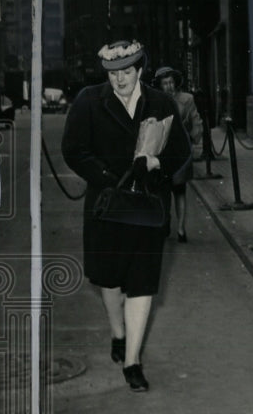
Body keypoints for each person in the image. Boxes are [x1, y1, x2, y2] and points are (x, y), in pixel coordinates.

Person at [62, 41, 191, 392]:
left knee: (142, 282)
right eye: (114, 74)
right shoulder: (89, 100)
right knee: (109, 279)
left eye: (127, 73)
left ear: (140, 70)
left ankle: (132, 360)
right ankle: (118, 332)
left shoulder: (160, 103)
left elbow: (181, 150)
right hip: (107, 205)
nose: (120, 80)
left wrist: (155, 165)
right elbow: (72, 150)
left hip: (148, 207)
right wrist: (107, 178)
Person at [153, 66, 203, 243]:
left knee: (180, 190)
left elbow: (196, 121)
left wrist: (193, 138)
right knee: (162, 190)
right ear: (160, 85)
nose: (169, 86)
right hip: (161, 152)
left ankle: (181, 229)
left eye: (171, 82)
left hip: (181, 151)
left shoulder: (187, 99)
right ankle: (165, 223)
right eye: (165, 83)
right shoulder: (155, 100)